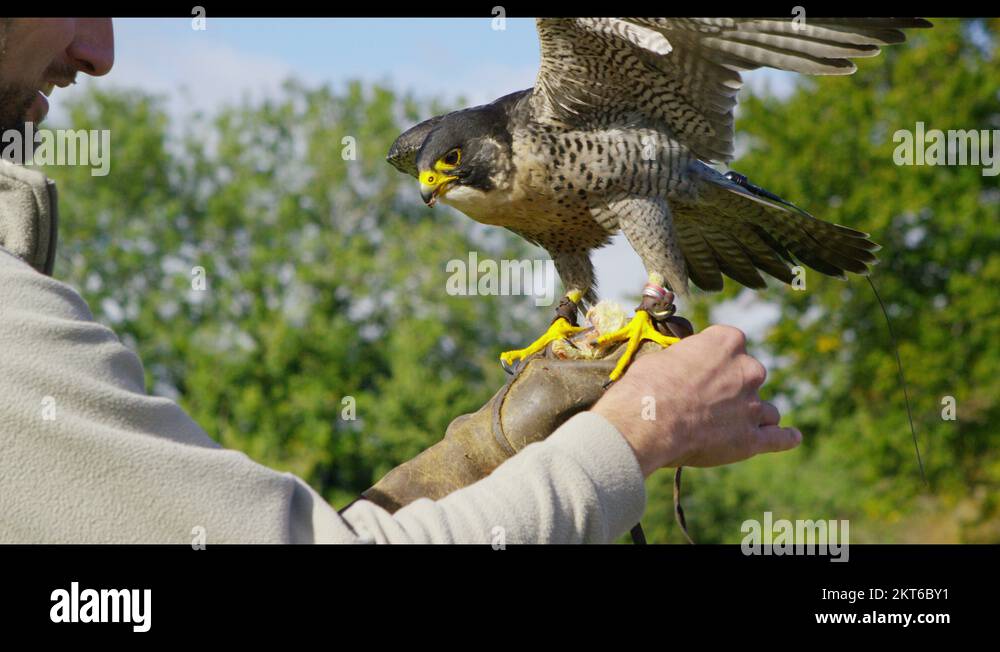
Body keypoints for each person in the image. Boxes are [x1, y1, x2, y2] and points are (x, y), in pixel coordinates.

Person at [0, 17, 802, 544]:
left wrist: (485, 454)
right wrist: (633, 435)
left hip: (661, 184)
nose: (103, 53)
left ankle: (641, 301)